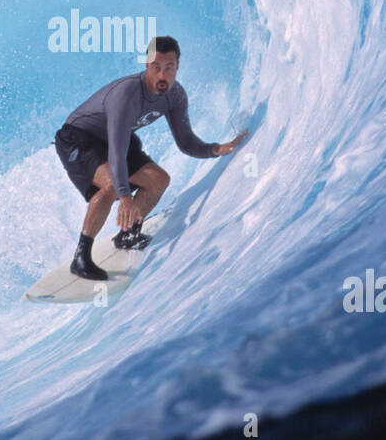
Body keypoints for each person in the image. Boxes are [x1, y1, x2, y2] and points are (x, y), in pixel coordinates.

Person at [54, 35, 247, 280]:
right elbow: (117, 149)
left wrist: (215, 149)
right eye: (156, 68)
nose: (162, 75)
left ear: (177, 67)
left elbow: (186, 142)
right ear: (146, 66)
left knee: (158, 180)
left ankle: (128, 235)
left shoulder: (175, 96)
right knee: (112, 185)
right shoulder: (127, 94)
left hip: (114, 141)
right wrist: (125, 196)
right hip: (79, 139)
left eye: (169, 68)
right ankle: (81, 257)